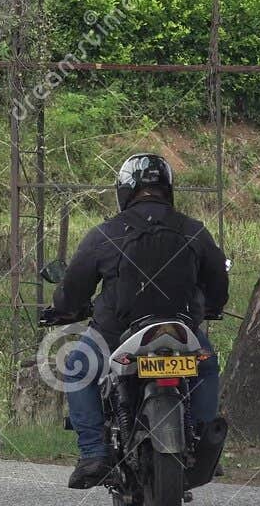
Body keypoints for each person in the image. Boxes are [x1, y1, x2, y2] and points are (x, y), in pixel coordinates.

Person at [40, 153, 229, 489]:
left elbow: (72, 290)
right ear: (168, 188)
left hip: (116, 335)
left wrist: (64, 310)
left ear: (124, 190)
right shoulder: (194, 230)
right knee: (207, 366)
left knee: (77, 367)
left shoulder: (104, 235)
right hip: (181, 333)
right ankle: (203, 447)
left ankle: (94, 453)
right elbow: (218, 285)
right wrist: (211, 307)